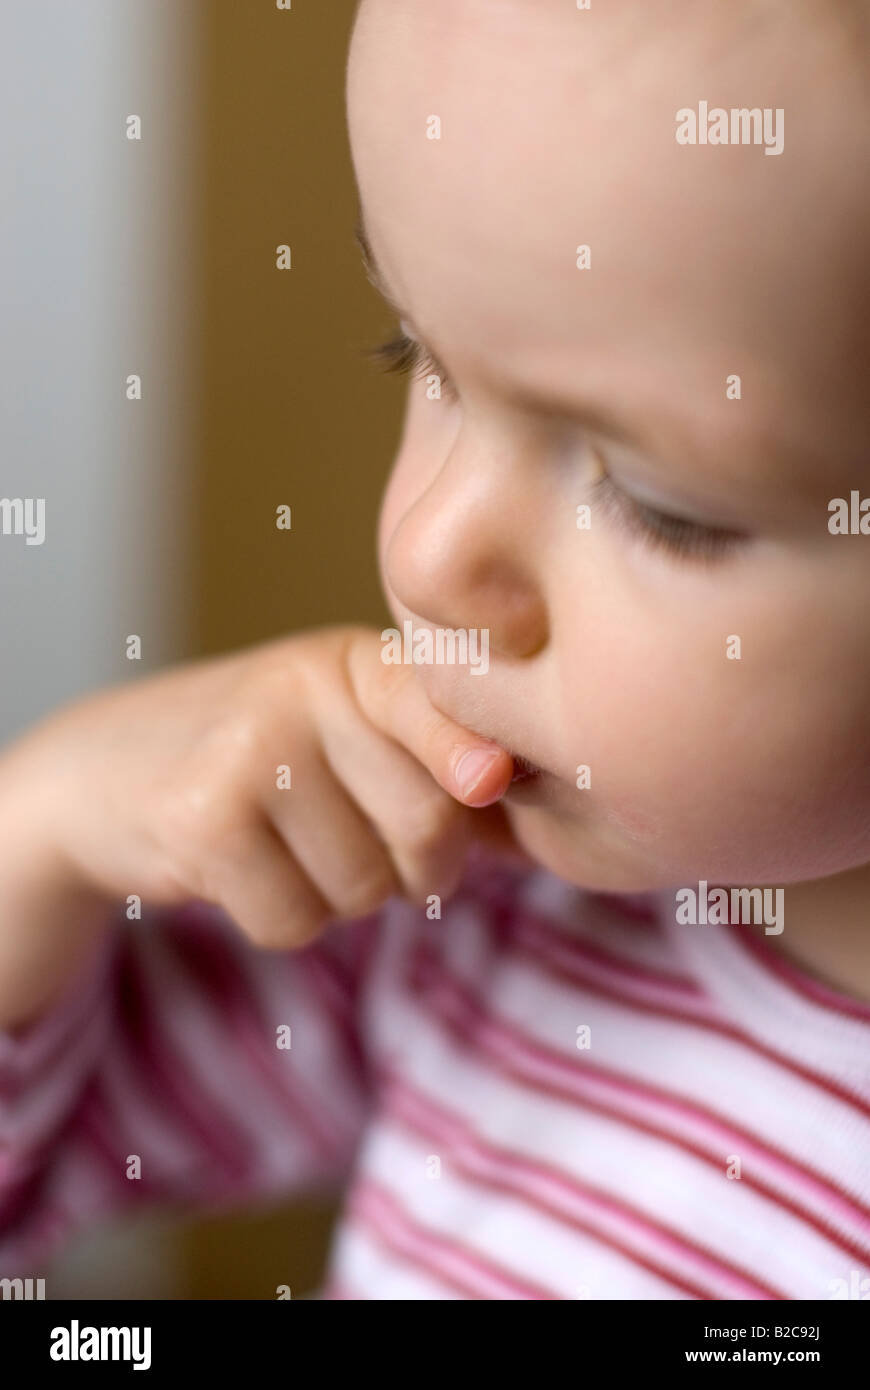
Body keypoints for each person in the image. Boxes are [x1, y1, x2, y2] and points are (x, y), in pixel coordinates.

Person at [1, 0, 868, 1299]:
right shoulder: (466, 901)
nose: (422, 549)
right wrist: (43, 830)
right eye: (419, 353)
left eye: (656, 504)